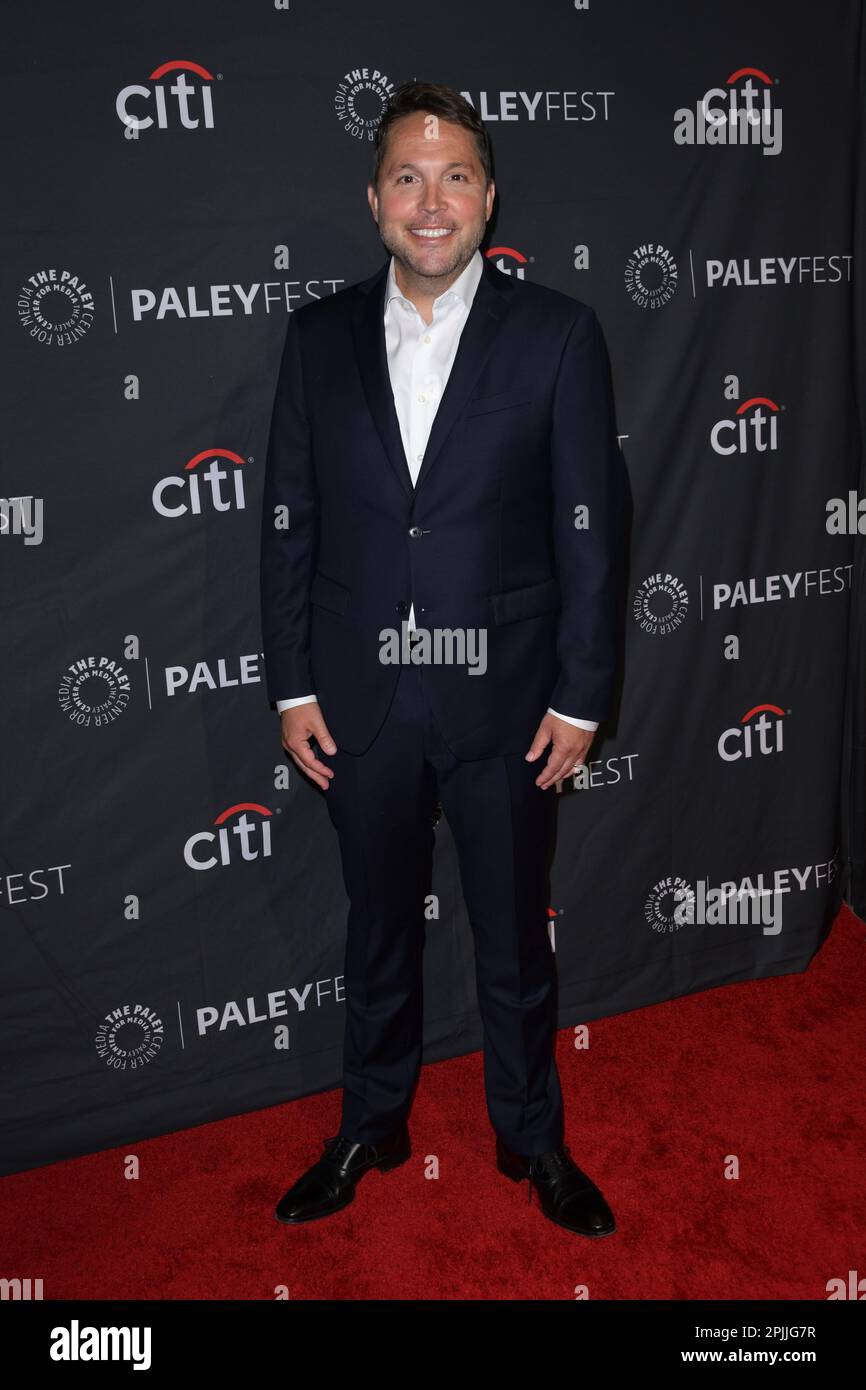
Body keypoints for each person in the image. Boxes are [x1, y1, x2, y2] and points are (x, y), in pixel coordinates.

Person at [259, 80, 626, 1237]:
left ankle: (530, 1137)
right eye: (407, 178)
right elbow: (287, 519)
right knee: (374, 928)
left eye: (454, 176)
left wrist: (579, 693)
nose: (432, 201)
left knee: (515, 937)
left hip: (509, 704)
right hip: (359, 702)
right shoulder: (315, 338)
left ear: (487, 198)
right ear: (374, 201)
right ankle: (371, 1121)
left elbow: (591, 528)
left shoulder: (558, 333)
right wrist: (292, 683)